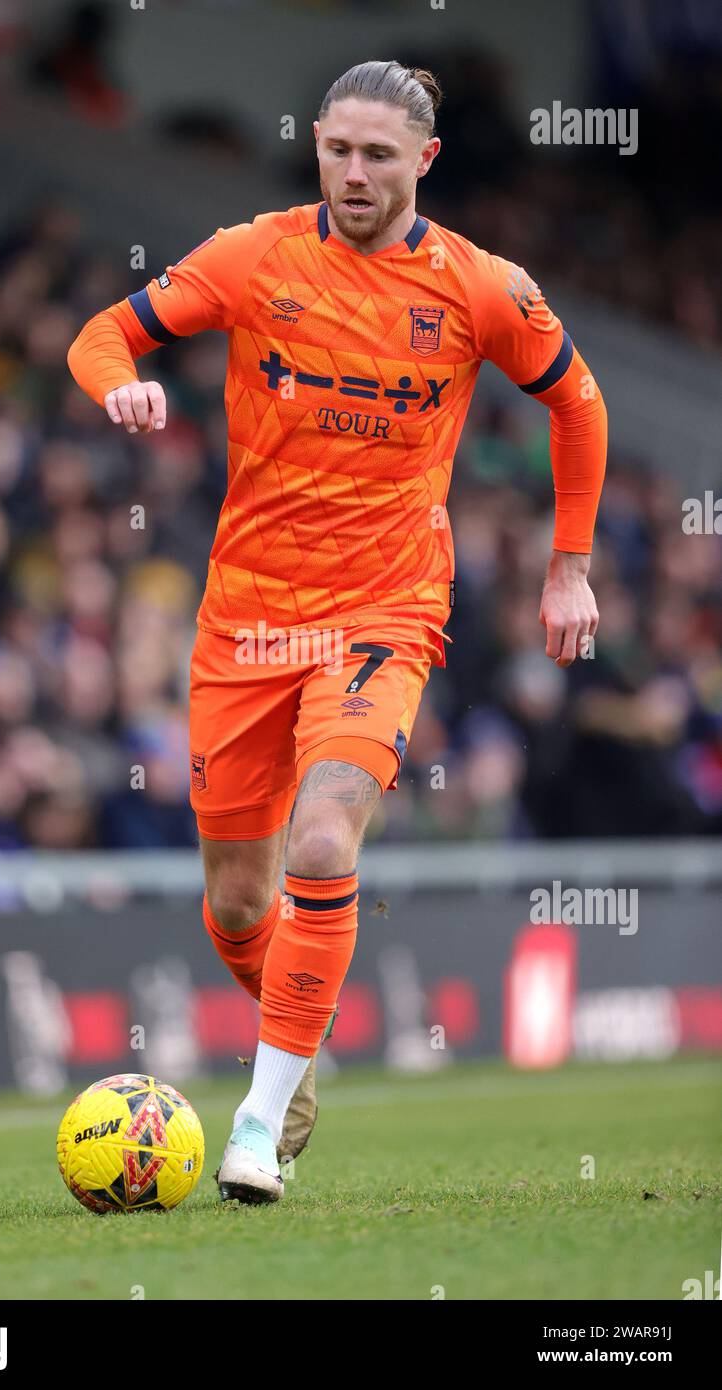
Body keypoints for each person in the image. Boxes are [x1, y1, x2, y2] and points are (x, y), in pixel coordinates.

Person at [67, 59, 607, 1204]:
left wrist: (567, 564)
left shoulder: (478, 288)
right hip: (244, 617)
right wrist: (118, 385)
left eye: (378, 154)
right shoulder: (254, 254)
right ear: (314, 144)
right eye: (336, 149)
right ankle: (294, 1047)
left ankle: (256, 1125)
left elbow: (576, 399)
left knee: (323, 843)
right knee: (235, 901)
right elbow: (104, 332)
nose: (354, 173)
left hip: (382, 608)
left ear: (425, 161)